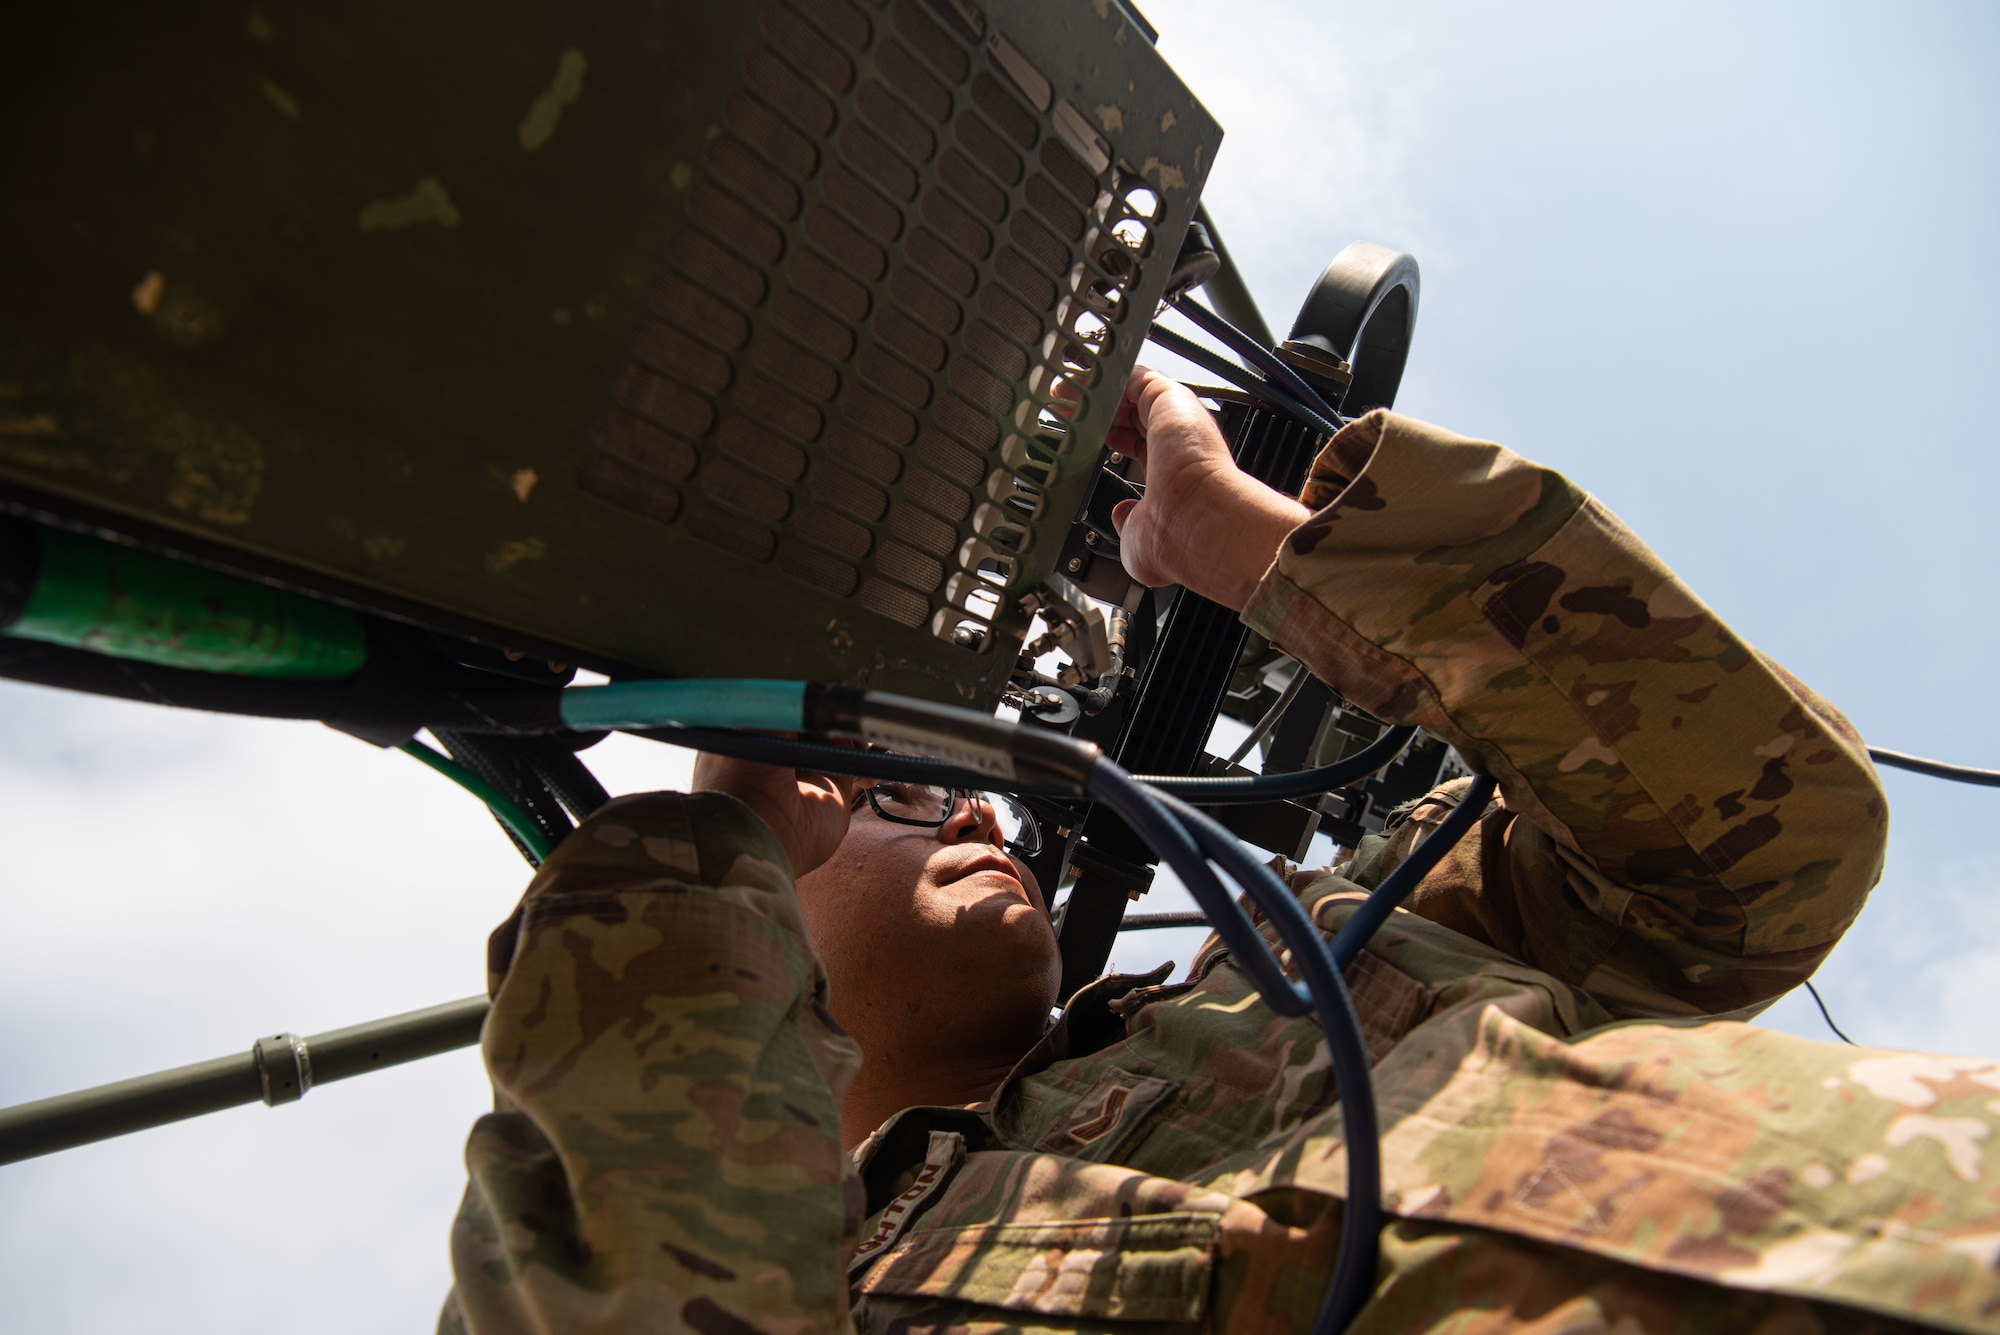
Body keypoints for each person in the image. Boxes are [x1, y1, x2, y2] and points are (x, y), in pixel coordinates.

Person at [439, 369, 2000, 1335]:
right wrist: (715, 845)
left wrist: (1242, 544)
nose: (981, 811)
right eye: (893, 799)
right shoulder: (800, 1287)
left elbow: (1765, 839)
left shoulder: (1319, 963)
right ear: (759, 954)